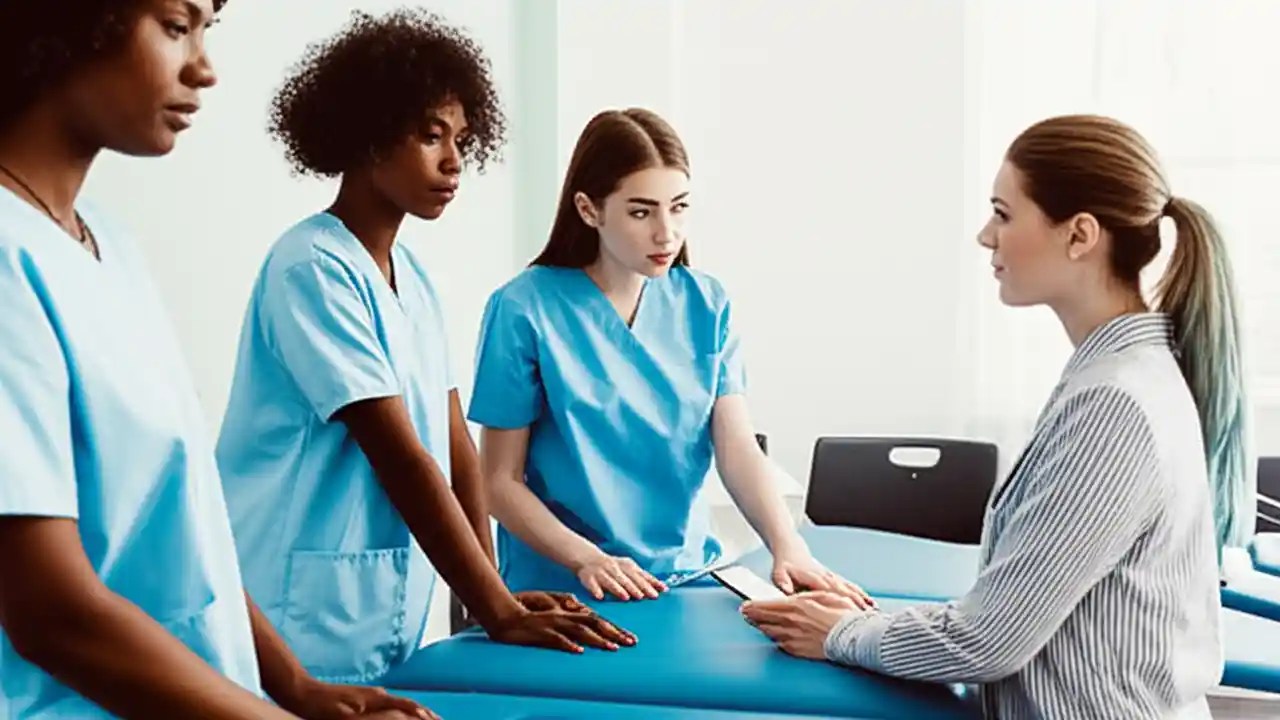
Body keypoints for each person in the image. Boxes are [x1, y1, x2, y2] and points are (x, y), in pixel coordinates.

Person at [0, 2, 434, 718]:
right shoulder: (10, 260)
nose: (204, 68)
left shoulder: (105, 244)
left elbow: (182, 534)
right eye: (177, 26)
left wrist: (292, 686)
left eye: (209, 31)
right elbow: (50, 611)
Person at [744, 114, 1251, 720]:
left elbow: (989, 642)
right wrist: (871, 625)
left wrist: (841, 634)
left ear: (1080, 234)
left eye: (1004, 214)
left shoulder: (1115, 403)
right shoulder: (1125, 375)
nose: (987, 236)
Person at [215, 8, 633, 686]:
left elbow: (454, 446)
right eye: (429, 135)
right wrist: (498, 610)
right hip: (294, 611)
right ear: (368, 135)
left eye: (463, 140)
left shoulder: (415, 282)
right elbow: (401, 457)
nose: (453, 161)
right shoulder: (310, 268)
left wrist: (484, 593)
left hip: (379, 610)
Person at [468, 107, 873, 606]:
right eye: (641, 212)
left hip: (682, 579)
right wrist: (587, 558)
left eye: (678, 207)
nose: (666, 233)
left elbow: (737, 448)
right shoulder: (524, 308)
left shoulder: (705, 303)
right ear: (589, 209)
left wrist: (788, 545)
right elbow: (498, 483)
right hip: (563, 590)